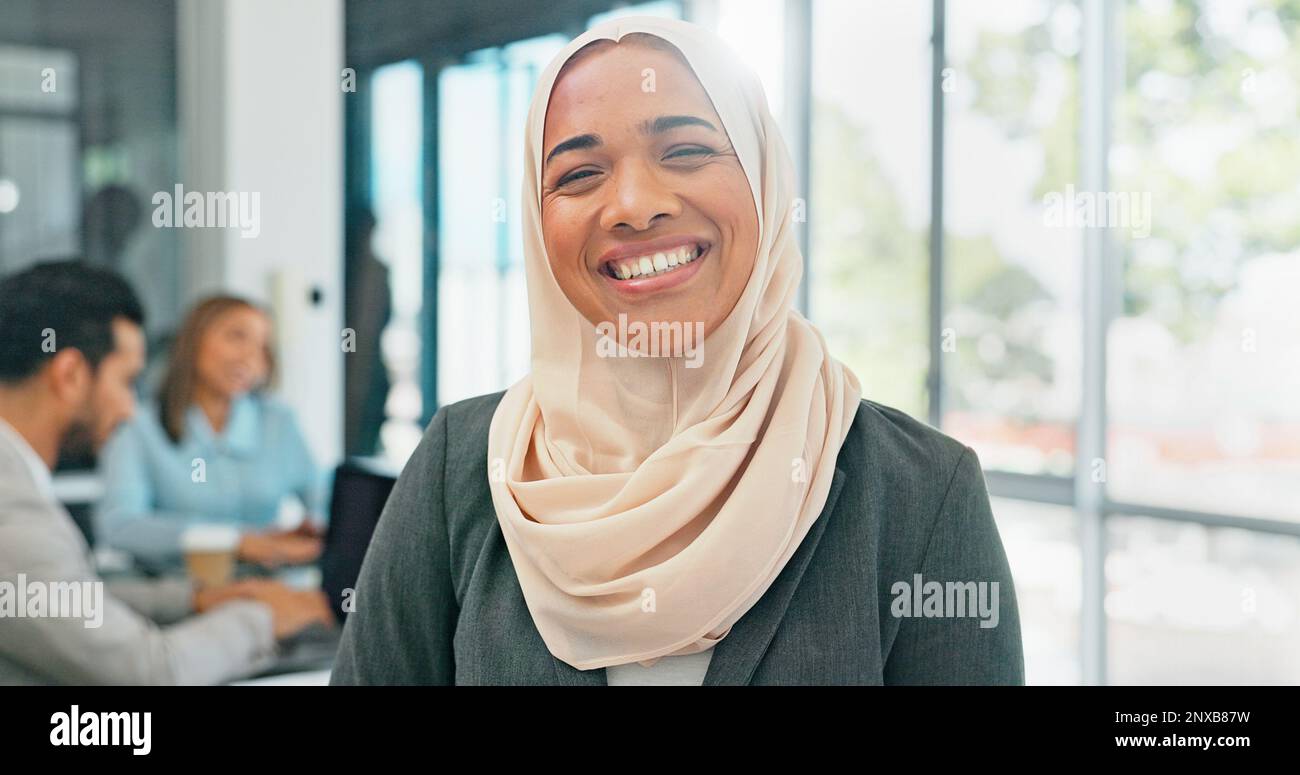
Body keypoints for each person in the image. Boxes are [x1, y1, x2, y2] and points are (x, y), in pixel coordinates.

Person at [331, 17, 1024, 686]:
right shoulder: (464, 466)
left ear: (765, 180)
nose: (634, 204)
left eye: (686, 151)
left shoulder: (922, 491)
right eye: (577, 175)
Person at [0, 260, 333, 685]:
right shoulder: (13, 512)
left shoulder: (279, 422)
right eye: (125, 382)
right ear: (68, 375)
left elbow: (68, 595)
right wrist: (265, 616)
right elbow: (151, 672)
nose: (126, 409)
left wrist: (196, 599)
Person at [96, 295, 327, 570]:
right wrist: (235, 541)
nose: (251, 356)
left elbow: (323, 503)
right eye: (236, 337)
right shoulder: (139, 428)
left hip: (269, 592)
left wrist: (309, 532)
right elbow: (120, 526)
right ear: (194, 342)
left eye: (262, 346)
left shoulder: (280, 422)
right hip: (179, 596)